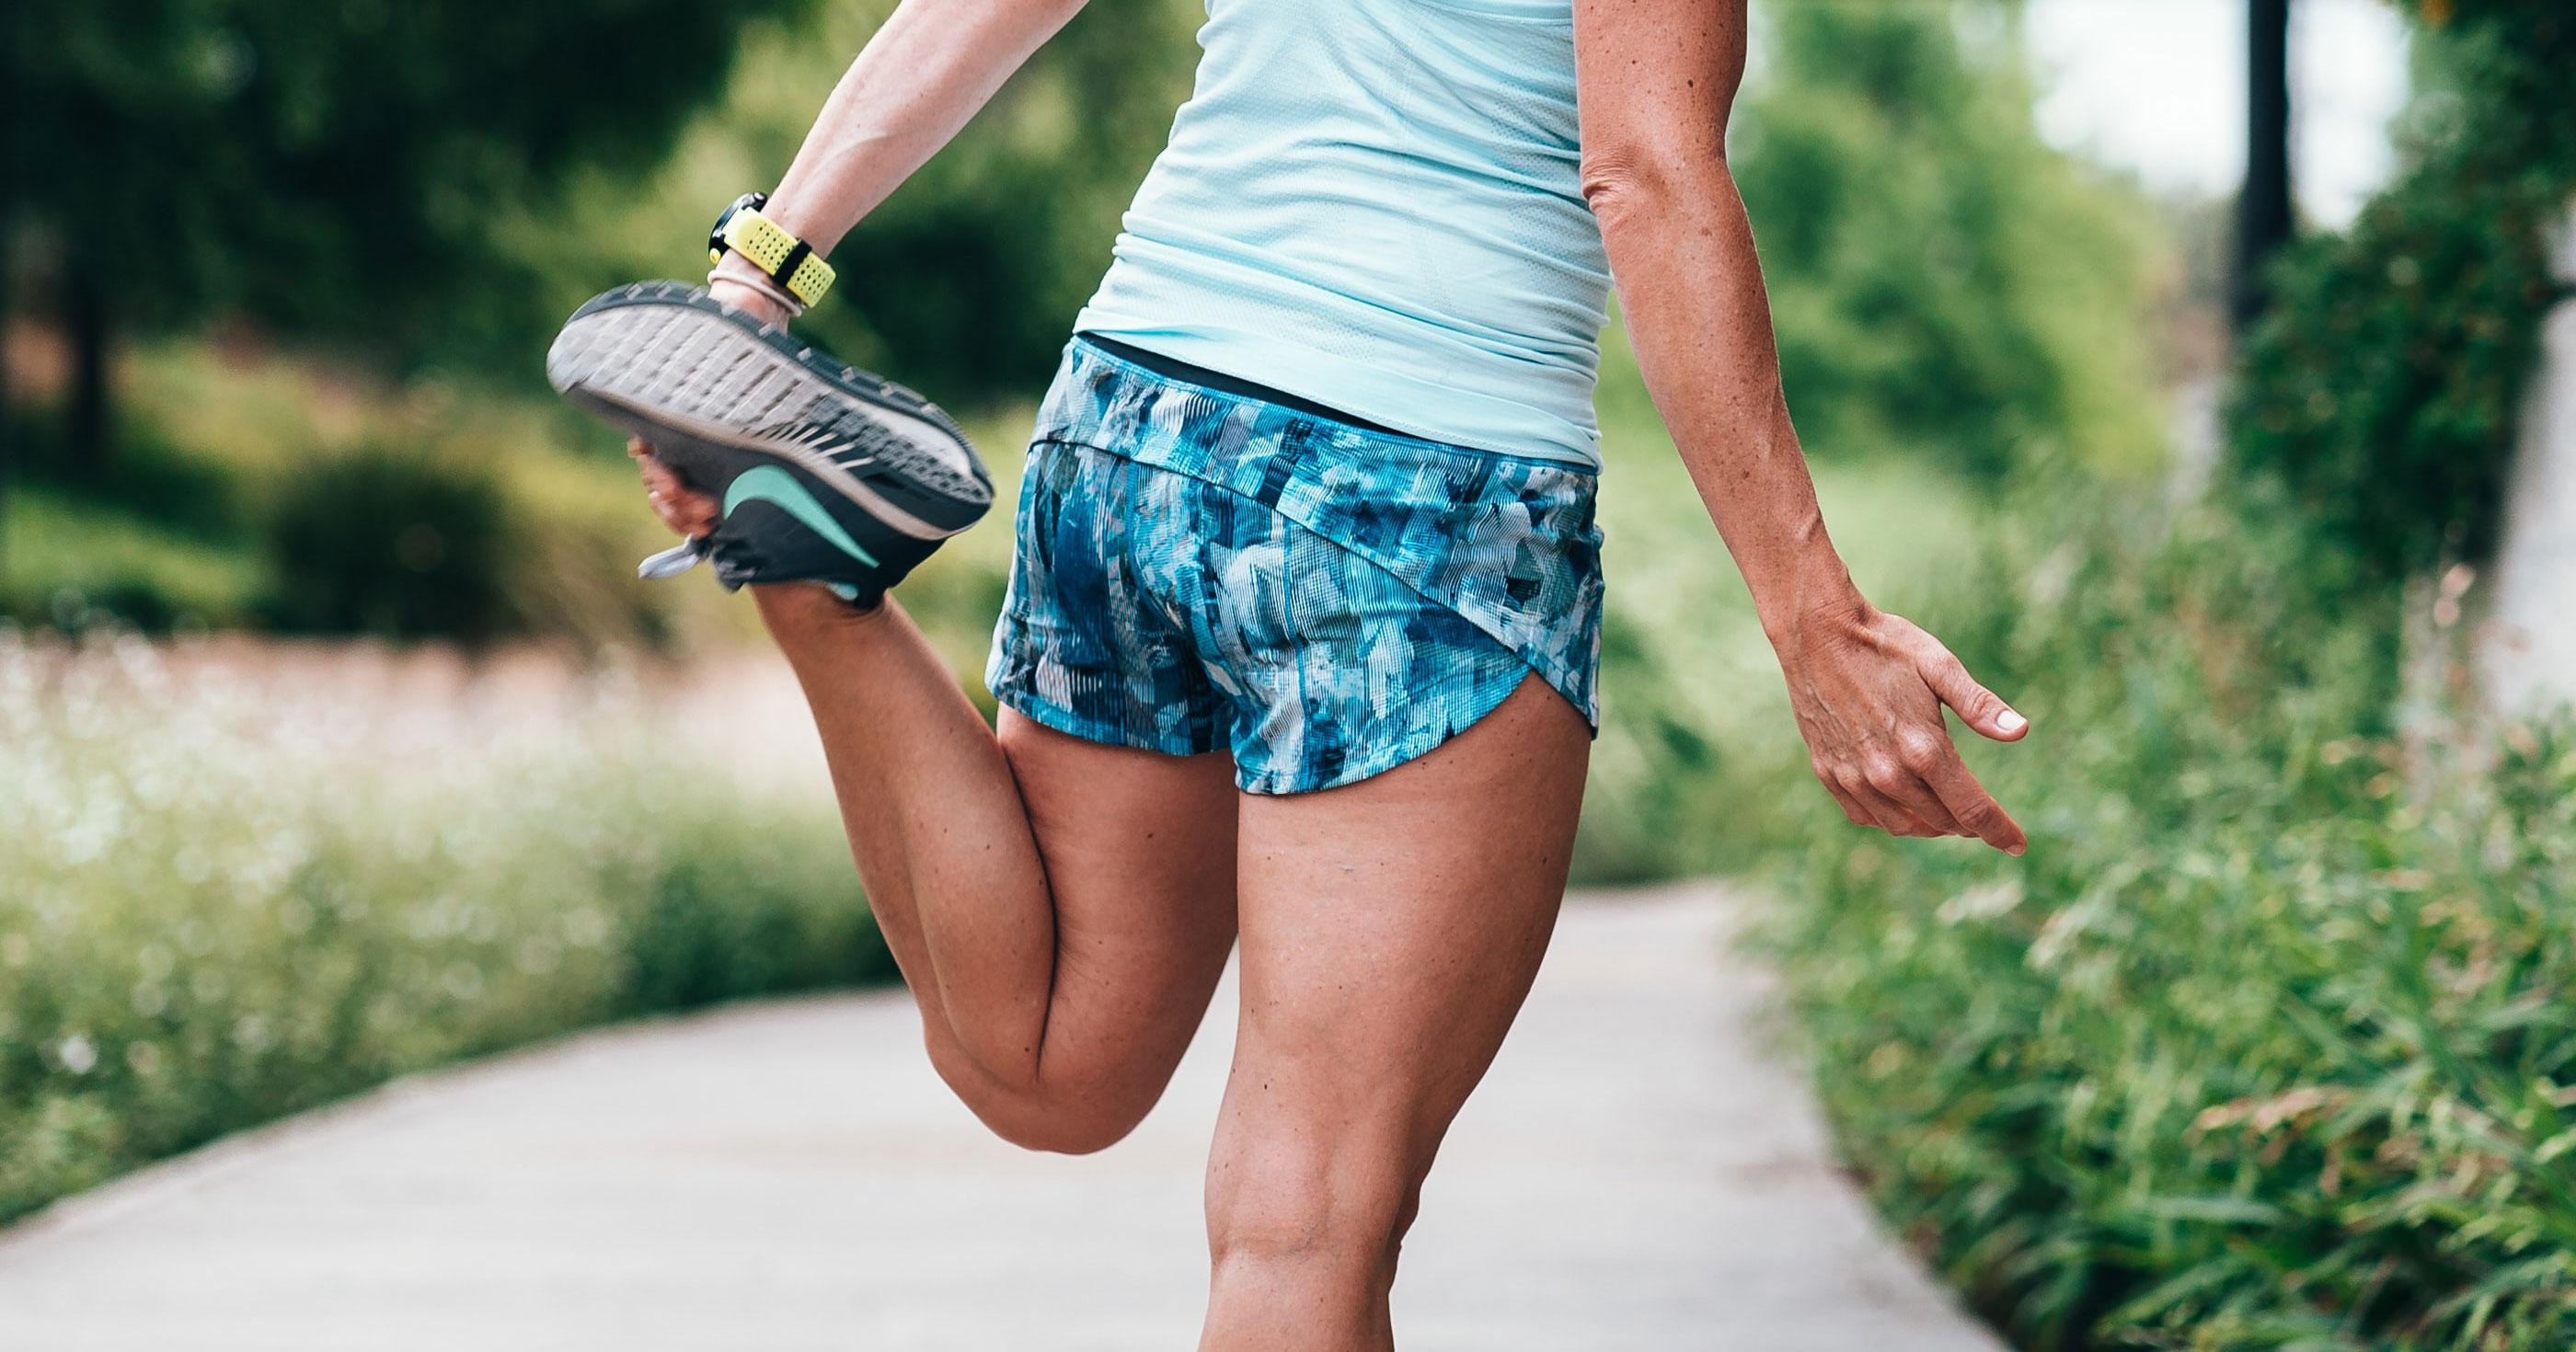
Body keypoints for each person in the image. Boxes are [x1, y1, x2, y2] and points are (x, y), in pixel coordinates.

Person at [549, 0, 2030, 1345]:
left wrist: (767, 266)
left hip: (1136, 413)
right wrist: (1809, 612)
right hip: (1417, 483)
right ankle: (807, 554)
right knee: (1303, 1223)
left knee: (1047, 1059)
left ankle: (813, 574)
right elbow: (1643, 168)